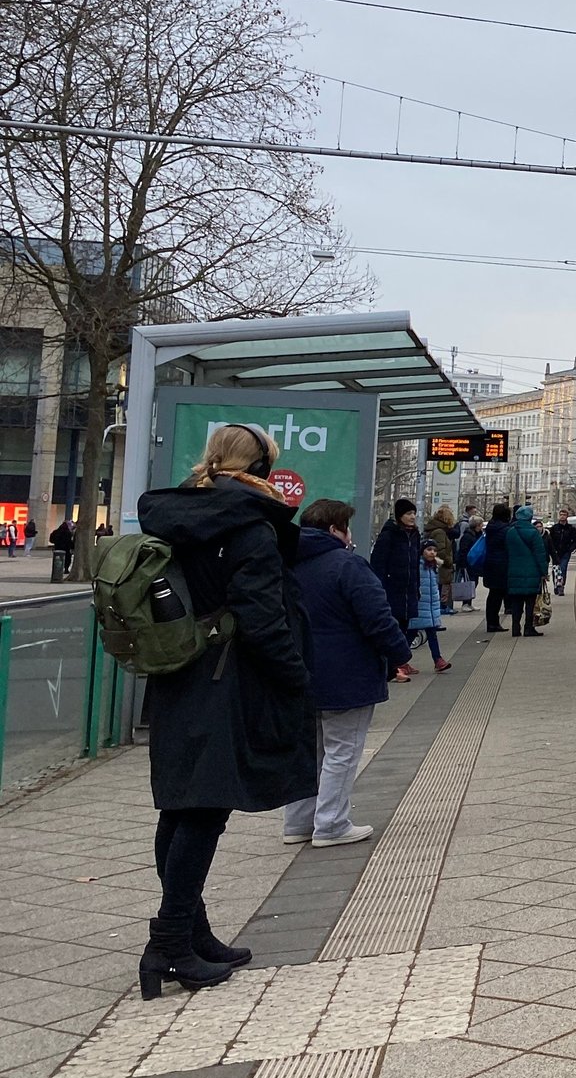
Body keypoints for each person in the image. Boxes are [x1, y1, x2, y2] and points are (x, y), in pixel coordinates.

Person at [135, 423, 317, 997]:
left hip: (179, 674)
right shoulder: (249, 526)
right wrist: (296, 679)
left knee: (182, 807)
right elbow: (261, 617)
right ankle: (168, 946)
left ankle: (193, 933)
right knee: (204, 811)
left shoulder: (179, 513)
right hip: (226, 678)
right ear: (261, 470)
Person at [285, 498, 411, 849]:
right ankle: (330, 824)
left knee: (309, 750)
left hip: (297, 673)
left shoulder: (286, 566)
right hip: (347, 674)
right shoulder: (348, 566)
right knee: (342, 750)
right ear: (334, 530)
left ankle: (297, 822)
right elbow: (377, 618)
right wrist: (399, 653)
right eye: (347, 527)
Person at [367, 500, 422, 683]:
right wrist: (380, 588)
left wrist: (417, 586)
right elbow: (378, 563)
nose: (412, 517)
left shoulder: (414, 534)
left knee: (406, 626)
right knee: (394, 627)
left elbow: (415, 565)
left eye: (413, 513)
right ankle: (392, 667)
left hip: (409, 589)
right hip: (392, 589)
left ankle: (401, 662)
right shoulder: (389, 535)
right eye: (408, 513)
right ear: (399, 516)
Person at [505, 503, 548, 636]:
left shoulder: (510, 532)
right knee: (530, 603)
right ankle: (528, 628)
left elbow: (506, 552)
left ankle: (515, 629)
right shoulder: (534, 533)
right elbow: (540, 555)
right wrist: (544, 572)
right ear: (530, 518)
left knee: (516, 603)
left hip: (514, 572)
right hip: (532, 572)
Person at [411, 541, 451, 672]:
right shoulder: (417, 566)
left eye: (434, 550)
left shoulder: (433, 567)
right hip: (419, 606)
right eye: (429, 549)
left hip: (429, 607)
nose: (432, 552)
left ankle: (438, 660)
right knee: (410, 634)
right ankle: (399, 662)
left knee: (431, 633)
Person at [480, 502, 511, 631]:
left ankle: (491, 622)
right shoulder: (505, 529)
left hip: (491, 563)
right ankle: (493, 623)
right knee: (497, 595)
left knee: (493, 594)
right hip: (501, 565)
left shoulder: (491, 527)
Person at [425, 506, 458, 613]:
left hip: (439, 566)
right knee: (442, 591)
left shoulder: (434, 529)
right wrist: (449, 561)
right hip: (443, 567)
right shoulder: (440, 532)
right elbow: (440, 551)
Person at [545, 508, 576, 596]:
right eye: (561, 515)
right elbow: (550, 540)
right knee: (555, 569)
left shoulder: (571, 529)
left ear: (567, 517)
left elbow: (575, 540)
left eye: (564, 515)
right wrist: (551, 550)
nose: (562, 516)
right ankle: (556, 585)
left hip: (565, 552)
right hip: (555, 552)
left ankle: (561, 587)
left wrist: (571, 549)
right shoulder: (554, 528)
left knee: (563, 569)